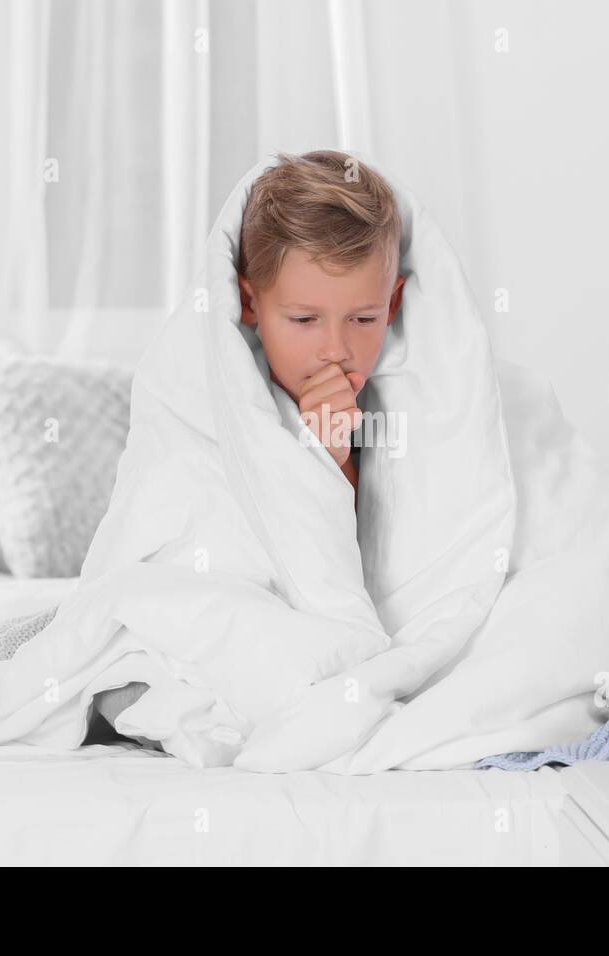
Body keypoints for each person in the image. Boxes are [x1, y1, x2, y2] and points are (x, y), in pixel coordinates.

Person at [87, 149, 405, 746]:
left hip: (321, 627)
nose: (336, 349)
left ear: (393, 304)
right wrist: (312, 460)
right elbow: (165, 551)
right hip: (210, 599)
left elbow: (383, 563)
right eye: (305, 319)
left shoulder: (403, 398)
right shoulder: (196, 393)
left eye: (363, 319)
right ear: (251, 302)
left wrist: (336, 460)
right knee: (131, 642)